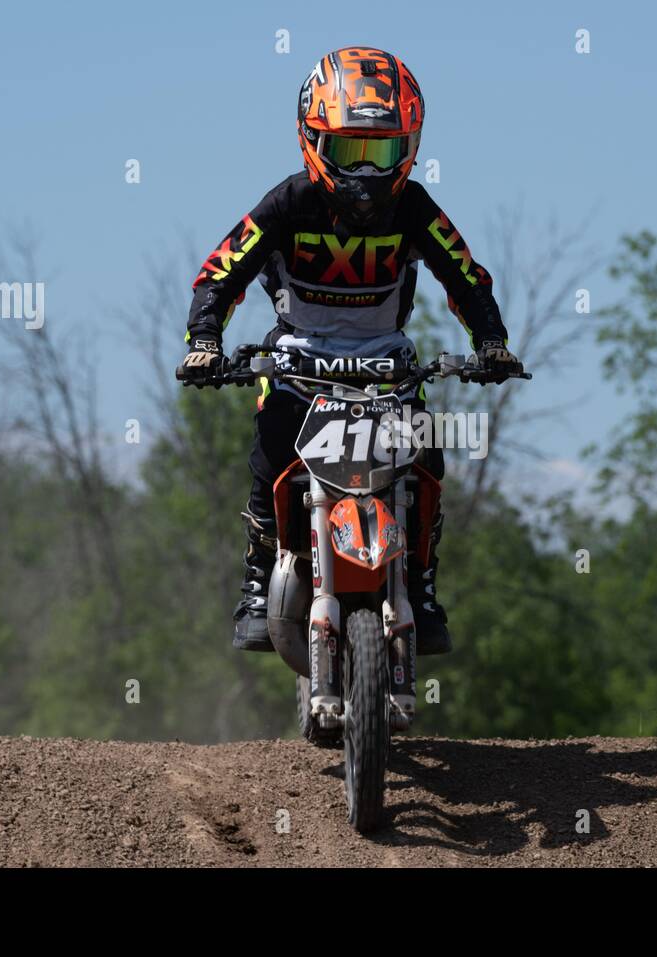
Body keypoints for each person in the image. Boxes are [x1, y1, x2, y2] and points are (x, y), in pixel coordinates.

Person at [176, 46, 521, 655]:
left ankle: (420, 580)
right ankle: (259, 581)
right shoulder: (287, 202)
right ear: (312, 139)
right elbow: (219, 272)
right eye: (348, 152)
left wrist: (490, 343)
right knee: (269, 455)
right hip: (296, 362)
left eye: (381, 153)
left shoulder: (413, 206)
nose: (364, 175)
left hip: (387, 362)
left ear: (410, 147)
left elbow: (465, 274)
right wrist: (204, 342)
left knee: (427, 455)